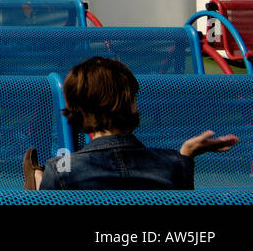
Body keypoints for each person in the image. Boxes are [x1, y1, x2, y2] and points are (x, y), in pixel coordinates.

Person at [24, 56, 239, 190]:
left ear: (76, 111)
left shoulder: (62, 168)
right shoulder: (172, 164)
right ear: (133, 106)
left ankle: (39, 180)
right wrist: (186, 155)